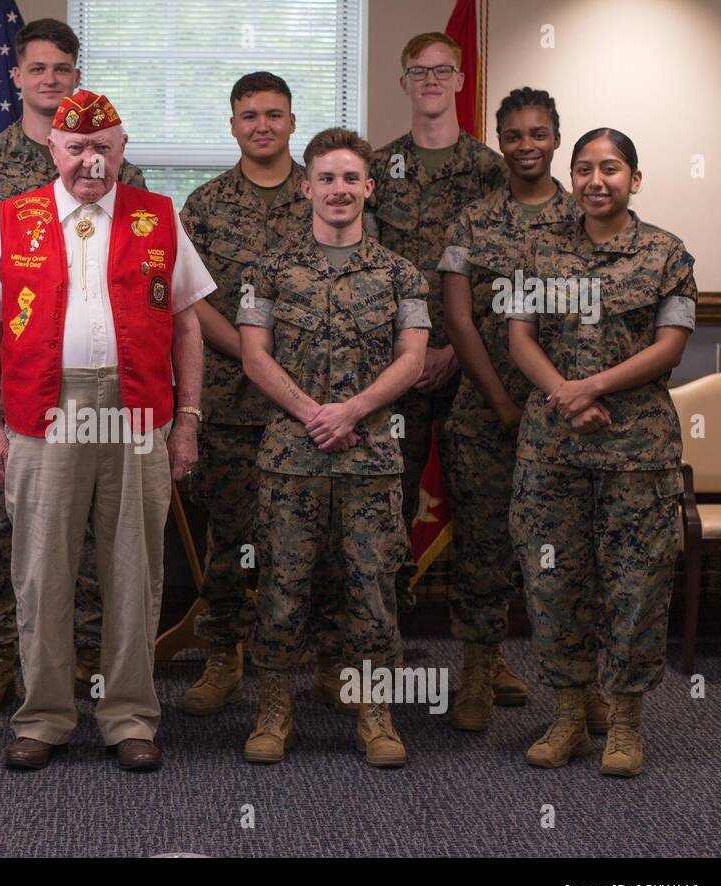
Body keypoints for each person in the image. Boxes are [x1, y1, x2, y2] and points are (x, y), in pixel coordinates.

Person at [0, 90, 211, 771]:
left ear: (123, 149)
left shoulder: (158, 217)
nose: (90, 162)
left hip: (138, 412)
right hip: (45, 409)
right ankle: (43, 716)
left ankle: (130, 716)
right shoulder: (14, 219)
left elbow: (186, 324)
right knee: (41, 571)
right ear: (54, 149)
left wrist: (186, 421)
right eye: (77, 149)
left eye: (104, 147)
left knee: (134, 569)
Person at [0, 18, 146, 716]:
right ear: (17, 77)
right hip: (15, 374)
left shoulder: (117, 164)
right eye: (38, 68)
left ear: (74, 78)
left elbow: (140, 269)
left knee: (93, 525)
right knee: (8, 520)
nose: (51, 78)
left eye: (64, 68)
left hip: (100, 383)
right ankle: (0, 654)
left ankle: (84, 652)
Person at [239, 127, 430, 768]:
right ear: (307, 188)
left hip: (370, 457)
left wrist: (351, 411)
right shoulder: (271, 270)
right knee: (283, 586)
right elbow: (252, 354)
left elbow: (413, 358)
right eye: (327, 178)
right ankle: (274, 711)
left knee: (372, 588)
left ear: (369, 187)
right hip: (291, 456)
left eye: (351, 178)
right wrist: (311, 413)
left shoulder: (401, 273)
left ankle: (376, 715)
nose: (339, 189)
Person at [508, 128, 695, 778]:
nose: (595, 180)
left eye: (610, 169)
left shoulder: (667, 254)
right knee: (554, 582)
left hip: (636, 450)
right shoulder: (535, 250)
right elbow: (520, 337)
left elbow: (670, 346)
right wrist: (565, 393)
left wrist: (595, 386)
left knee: (636, 586)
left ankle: (625, 723)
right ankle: (567, 716)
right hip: (552, 449)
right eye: (584, 168)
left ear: (633, 180)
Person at [435, 87, 605, 732]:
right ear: (499, 141)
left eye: (538, 133)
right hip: (486, 413)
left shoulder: (585, 216)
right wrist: (503, 401)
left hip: (568, 415)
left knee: (568, 553)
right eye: (513, 134)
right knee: (482, 547)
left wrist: (560, 397)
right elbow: (456, 316)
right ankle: (479, 671)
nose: (526, 145)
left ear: (556, 138)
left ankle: (579, 684)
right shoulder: (474, 220)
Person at [367, 33, 516, 697]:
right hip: (396, 369)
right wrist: (414, 348)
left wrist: (459, 346)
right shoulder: (375, 167)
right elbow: (366, 270)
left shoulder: (491, 169)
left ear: (460, 79)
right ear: (404, 82)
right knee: (384, 515)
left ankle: (485, 658)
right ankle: (383, 655)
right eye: (418, 70)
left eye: (441, 70)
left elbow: (509, 270)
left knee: (485, 517)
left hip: (476, 367)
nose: (430, 80)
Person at [177, 71, 311, 716]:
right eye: (249, 114)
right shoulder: (203, 206)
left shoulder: (324, 190)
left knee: (319, 536)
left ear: (292, 121)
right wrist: (250, 355)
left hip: (316, 402)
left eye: (274, 114)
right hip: (231, 401)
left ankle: (322, 658)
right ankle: (221, 653)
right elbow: (190, 298)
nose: (262, 125)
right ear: (233, 124)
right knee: (231, 535)